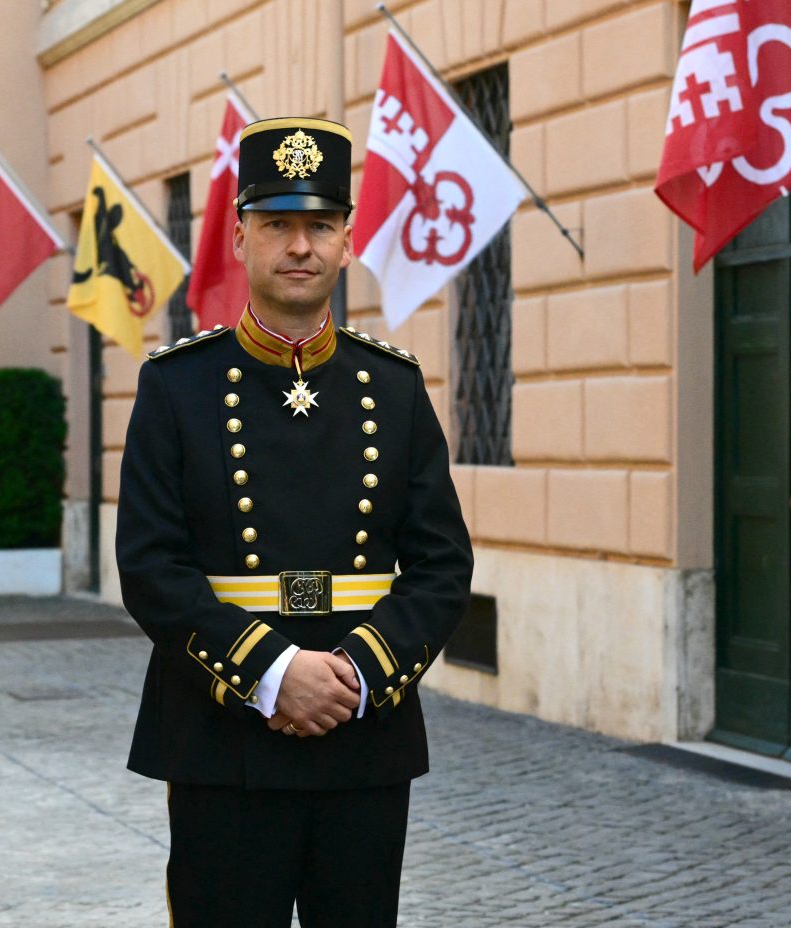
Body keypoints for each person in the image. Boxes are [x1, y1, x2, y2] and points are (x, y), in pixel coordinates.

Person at [116, 116, 474, 927]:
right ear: (240, 238)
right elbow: (149, 565)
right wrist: (274, 673)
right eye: (278, 224)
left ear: (348, 240)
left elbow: (442, 564)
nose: (300, 246)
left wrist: (353, 672)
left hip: (362, 731)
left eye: (320, 225)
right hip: (223, 731)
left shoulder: (393, 387)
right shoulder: (177, 387)